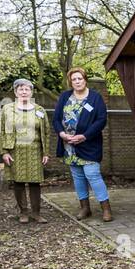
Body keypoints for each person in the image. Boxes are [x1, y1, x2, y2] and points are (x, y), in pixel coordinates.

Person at [53, 67, 111, 221]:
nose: (77, 81)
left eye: (80, 78)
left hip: (89, 144)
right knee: (78, 176)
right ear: (70, 82)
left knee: (93, 175)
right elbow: (56, 119)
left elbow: (101, 120)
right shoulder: (65, 96)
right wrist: (62, 134)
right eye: (74, 79)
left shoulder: (95, 98)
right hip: (69, 146)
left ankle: (106, 209)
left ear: (85, 80)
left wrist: (84, 136)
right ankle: (85, 208)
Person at [0, 78, 52, 223]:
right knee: (18, 182)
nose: (24, 92)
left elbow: (46, 132)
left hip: (35, 151)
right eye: (20, 89)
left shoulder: (39, 110)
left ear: (31, 92)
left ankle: (36, 213)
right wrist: (4, 152)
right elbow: (1, 131)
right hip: (15, 151)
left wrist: (46, 153)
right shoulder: (7, 109)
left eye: (27, 89)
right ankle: (23, 212)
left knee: (35, 182)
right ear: (15, 92)